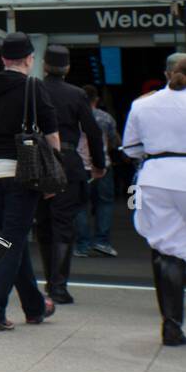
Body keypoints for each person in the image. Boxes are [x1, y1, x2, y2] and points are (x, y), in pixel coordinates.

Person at [0, 34, 59, 331]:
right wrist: (53, 170)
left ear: (2, 59)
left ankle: (35, 307)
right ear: (28, 59)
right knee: (11, 244)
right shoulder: (33, 87)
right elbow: (51, 134)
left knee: (14, 241)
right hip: (20, 175)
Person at [123, 55, 186, 345]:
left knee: (167, 250)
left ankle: (172, 326)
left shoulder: (142, 104)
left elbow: (131, 149)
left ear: (165, 73)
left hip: (157, 177)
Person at [35, 45, 106, 304]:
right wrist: (99, 163)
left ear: (44, 66)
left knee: (43, 226)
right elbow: (93, 131)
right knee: (63, 226)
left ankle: (48, 280)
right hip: (68, 163)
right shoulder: (76, 95)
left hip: (37, 163)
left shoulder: (33, 89)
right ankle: (58, 286)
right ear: (67, 68)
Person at [74, 84, 119, 259]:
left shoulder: (73, 116)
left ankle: (82, 244)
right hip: (103, 166)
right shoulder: (106, 118)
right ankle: (102, 241)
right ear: (96, 99)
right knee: (104, 204)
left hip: (80, 165)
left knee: (80, 205)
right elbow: (114, 141)